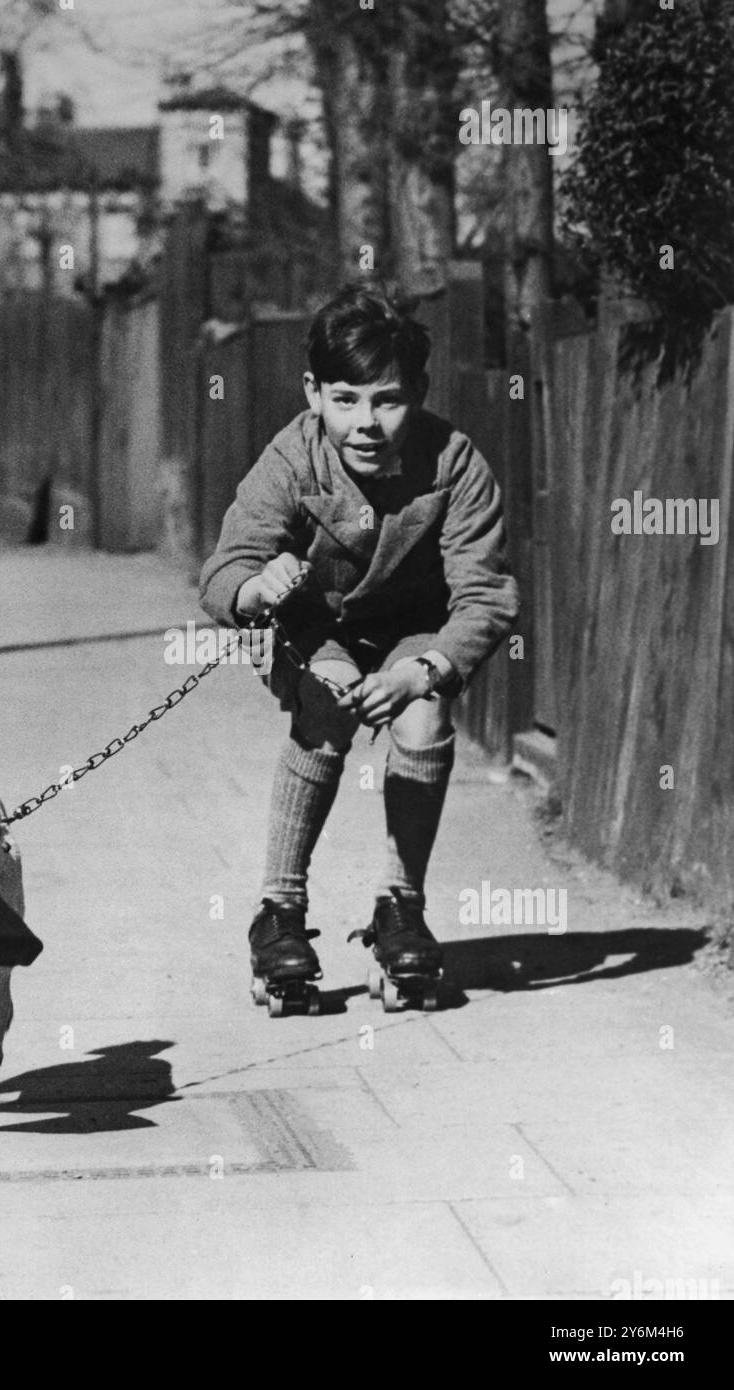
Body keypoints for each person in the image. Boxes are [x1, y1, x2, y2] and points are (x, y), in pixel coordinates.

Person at [198, 282, 519, 1010]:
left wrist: (422, 671)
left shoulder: (453, 463)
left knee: (425, 717)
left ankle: (400, 907)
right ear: (314, 393)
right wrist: (256, 588)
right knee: (326, 706)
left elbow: (486, 595)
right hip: (316, 626)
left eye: (388, 400)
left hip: (414, 629)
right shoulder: (293, 457)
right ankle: (279, 911)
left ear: (419, 393)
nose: (366, 423)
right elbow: (224, 570)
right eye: (345, 400)